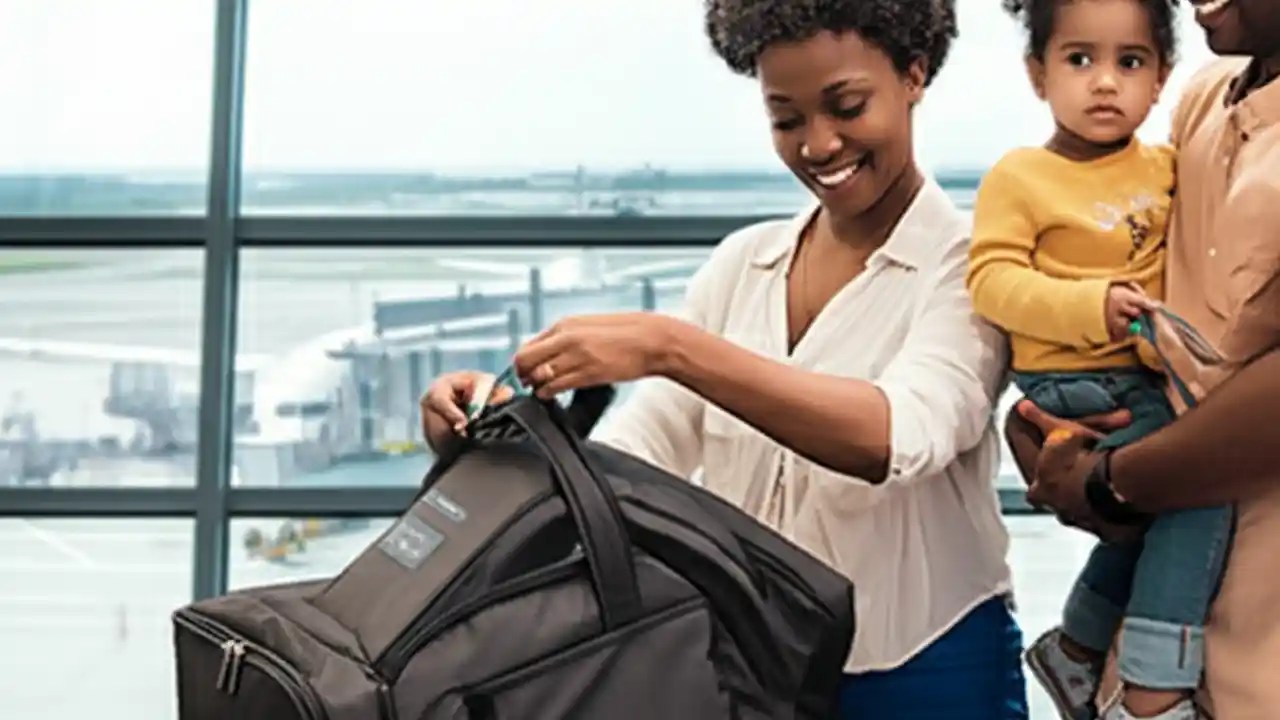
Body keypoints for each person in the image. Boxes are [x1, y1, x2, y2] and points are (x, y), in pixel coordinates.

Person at [420, 1, 1029, 716]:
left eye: (847, 106)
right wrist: (496, 434)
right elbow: (638, 459)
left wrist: (669, 347)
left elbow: (897, 436)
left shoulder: (969, 267)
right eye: (787, 119)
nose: (819, 144)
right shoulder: (745, 264)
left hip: (929, 672)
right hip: (750, 670)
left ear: (914, 75)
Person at [1003, 0, 1280, 716]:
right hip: (1140, 665)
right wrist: (1043, 421)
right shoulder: (1203, 100)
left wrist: (1106, 481)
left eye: (1129, 61)